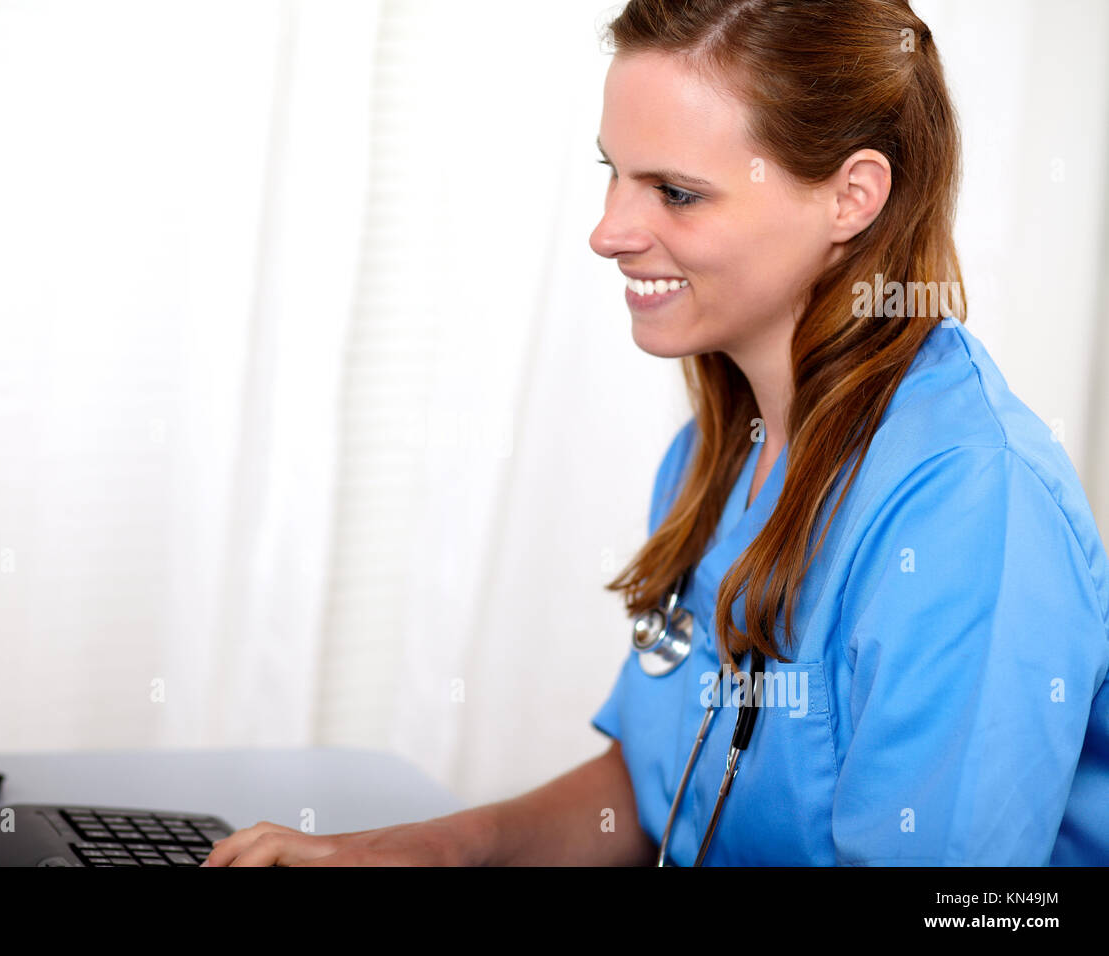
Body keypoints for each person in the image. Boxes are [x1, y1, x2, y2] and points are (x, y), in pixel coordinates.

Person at [203, 0, 1109, 866]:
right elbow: (650, 792)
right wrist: (430, 849)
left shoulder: (969, 508)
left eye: (675, 192)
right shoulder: (718, 454)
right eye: (614, 172)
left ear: (851, 198)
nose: (608, 231)